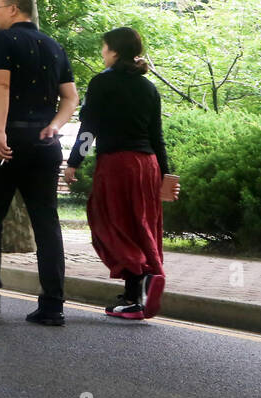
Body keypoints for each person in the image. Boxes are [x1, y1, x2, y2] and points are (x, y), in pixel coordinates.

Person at [0, 0, 78, 326]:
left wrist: (0, 133)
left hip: (10, 142)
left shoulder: (5, 41)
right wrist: (55, 126)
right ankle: (53, 305)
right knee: (46, 222)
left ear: (13, 9)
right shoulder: (55, 46)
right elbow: (70, 97)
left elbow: (1, 86)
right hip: (44, 144)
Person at [64, 27, 177, 319]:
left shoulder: (102, 83)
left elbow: (89, 129)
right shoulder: (149, 88)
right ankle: (138, 291)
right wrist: (165, 174)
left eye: (104, 48)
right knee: (141, 225)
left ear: (114, 51)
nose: (102, 53)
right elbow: (157, 136)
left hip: (117, 165)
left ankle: (140, 282)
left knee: (108, 223)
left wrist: (74, 161)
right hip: (147, 165)